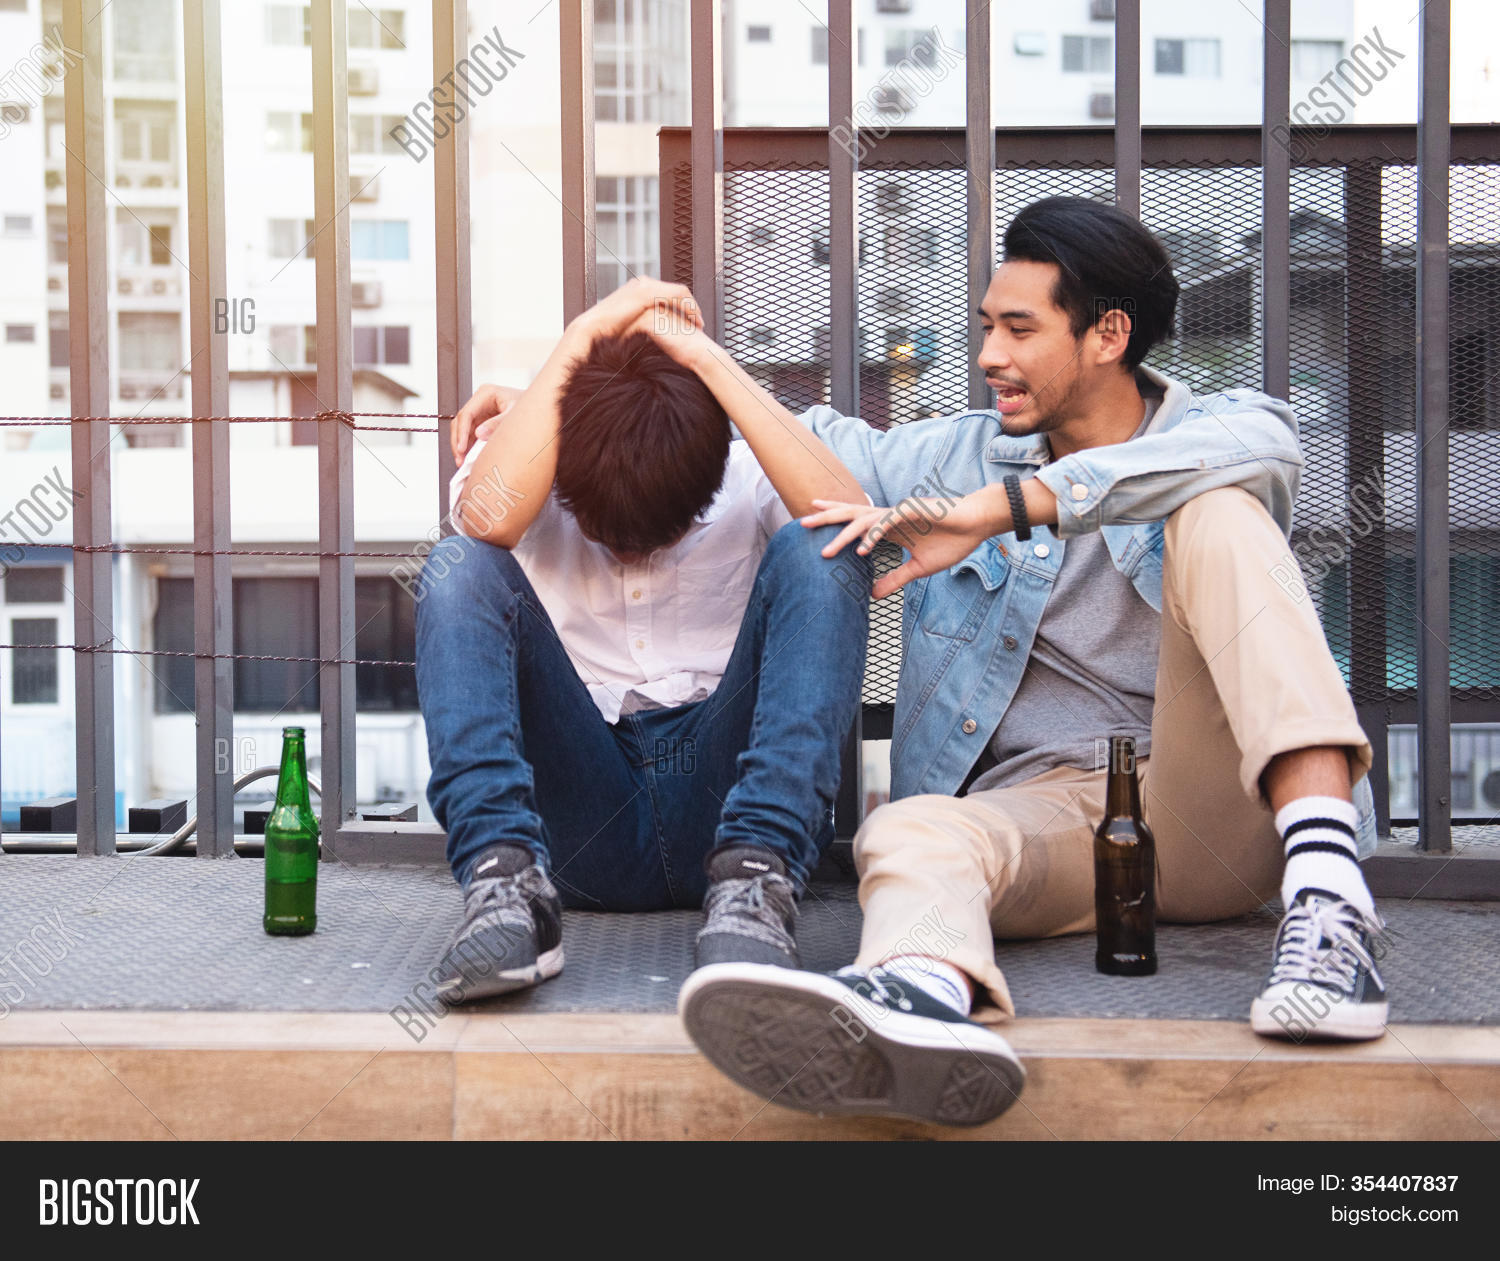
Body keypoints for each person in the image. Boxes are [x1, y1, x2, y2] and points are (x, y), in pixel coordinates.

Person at [677, 196, 1389, 1128]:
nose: (988, 356)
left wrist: (1007, 507)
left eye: (1019, 329)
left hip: (1213, 806)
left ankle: (1333, 913)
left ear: (1109, 334)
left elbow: (1265, 447)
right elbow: (809, 449)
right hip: (1055, 825)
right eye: (986, 327)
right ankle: (923, 994)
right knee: (916, 827)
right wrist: (681, 362)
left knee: (1221, 513)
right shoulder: (959, 453)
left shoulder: (1219, 428)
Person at [417, 279, 873, 1003]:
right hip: (577, 810)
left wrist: (708, 362)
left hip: (724, 806)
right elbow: (481, 525)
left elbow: (852, 514)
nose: (627, 546)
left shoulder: (743, 469)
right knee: (455, 564)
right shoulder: (538, 453)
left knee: (829, 547)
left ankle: (758, 881)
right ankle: (505, 884)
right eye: (602, 526)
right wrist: (583, 336)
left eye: (661, 529)